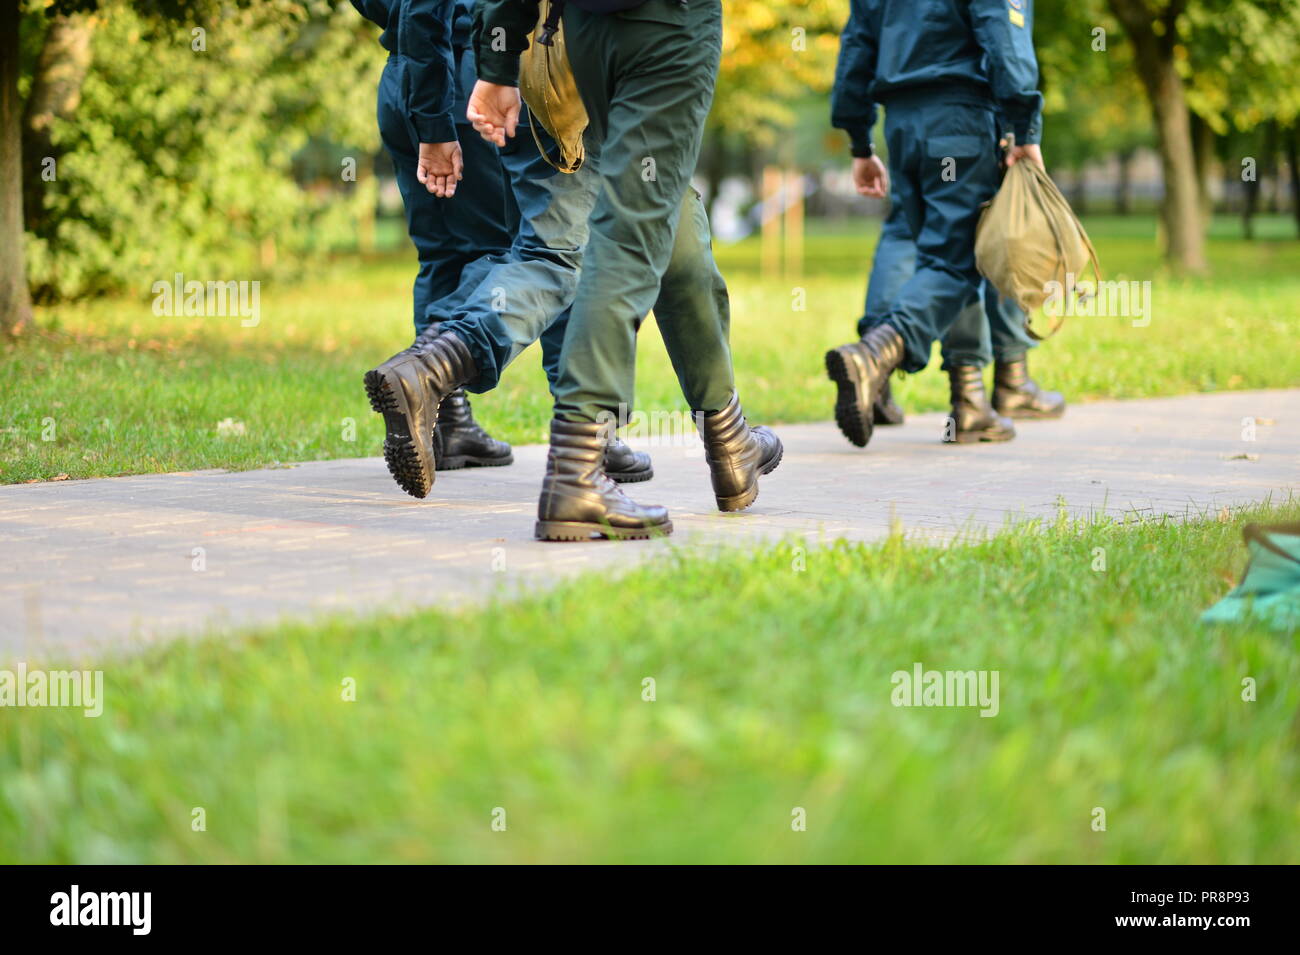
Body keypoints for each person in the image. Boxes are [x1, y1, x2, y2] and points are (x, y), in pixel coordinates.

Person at [464, 0, 782, 541]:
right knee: (628, 228)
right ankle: (576, 471)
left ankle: (728, 436)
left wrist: (500, 52)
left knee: (658, 201)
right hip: (667, 23)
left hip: (590, 31)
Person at [354, 0, 652, 497]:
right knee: (551, 253)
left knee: (449, 255)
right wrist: (438, 116)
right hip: (470, 75)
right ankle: (585, 431)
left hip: (409, 72)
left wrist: (425, 106)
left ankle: (447, 423)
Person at [826, 0, 1047, 449]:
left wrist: (859, 142)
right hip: (959, 120)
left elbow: (856, 47)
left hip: (902, 128)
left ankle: (969, 403)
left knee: (940, 258)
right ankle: (874, 357)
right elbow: (1005, 36)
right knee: (960, 261)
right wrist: (1025, 129)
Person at [863, 200, 1066, 441]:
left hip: (914, 161)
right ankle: (990, 389)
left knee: (904, 226)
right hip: (958, 164)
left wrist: (863, 159)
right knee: (995, 221)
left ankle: (871, 370)